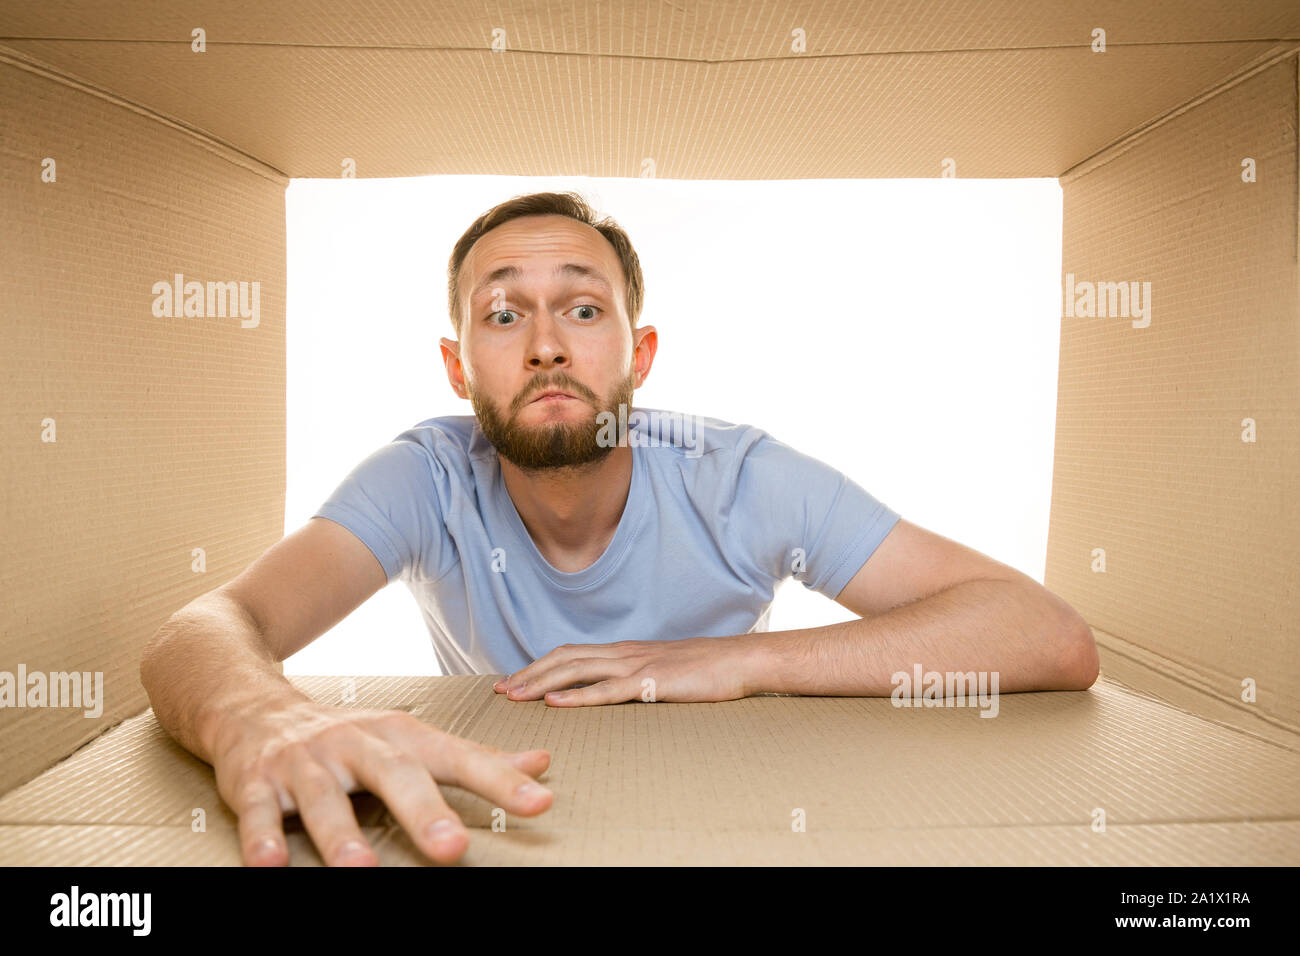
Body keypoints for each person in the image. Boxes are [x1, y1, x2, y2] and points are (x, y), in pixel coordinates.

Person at [141, 191, 1098, 867]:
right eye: (505, 311)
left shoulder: (739, 479)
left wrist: (735, 662)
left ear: (638, 353)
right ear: (457, 366)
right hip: (511, 826)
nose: (547, 342)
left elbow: (1044, 631)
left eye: (584, 308)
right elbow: (203, 631)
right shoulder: (426, 477)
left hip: (726, 824)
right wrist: (265, 721)